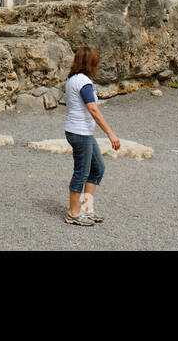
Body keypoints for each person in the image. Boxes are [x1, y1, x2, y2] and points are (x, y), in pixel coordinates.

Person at [63, 46, 120, 227]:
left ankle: (87, 209)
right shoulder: (84, 83)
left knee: (97, 168)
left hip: (81, 131)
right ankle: (73, 213)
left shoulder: (73, 79)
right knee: (82, 171)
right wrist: (111, 134)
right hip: (80, 132)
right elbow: (93, 109)